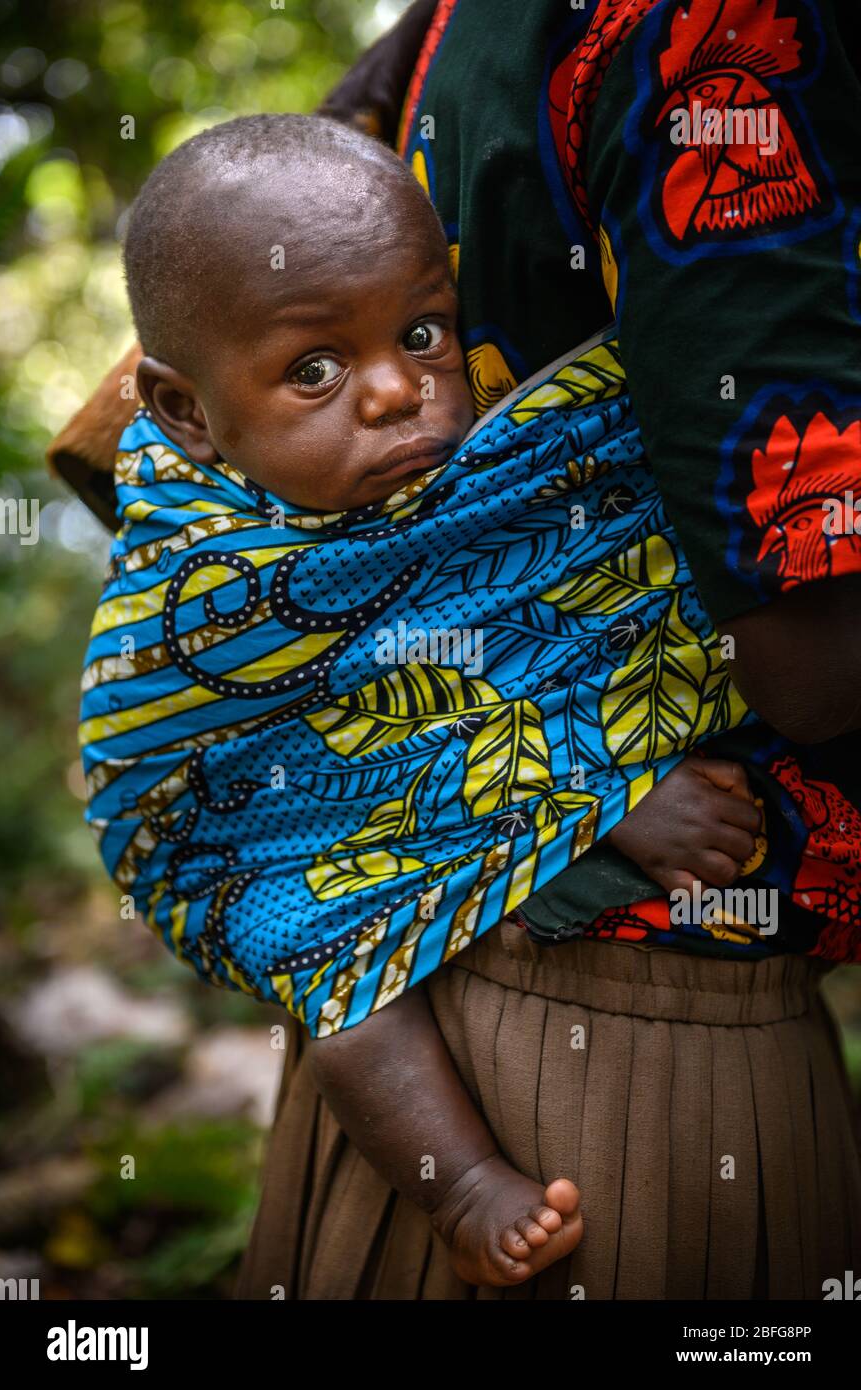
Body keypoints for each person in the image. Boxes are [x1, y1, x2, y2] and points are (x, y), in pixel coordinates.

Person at [56, 0, 861, 1299]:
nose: (394, 391)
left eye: (422, 335)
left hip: (555, 986)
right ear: (186, 414)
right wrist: (606, 791)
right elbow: (339, 725)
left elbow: (524, 621)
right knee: (333, 976)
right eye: (317, 370)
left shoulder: (480, 471)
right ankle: (465, 1180)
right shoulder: (220, 559)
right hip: (439, 959)